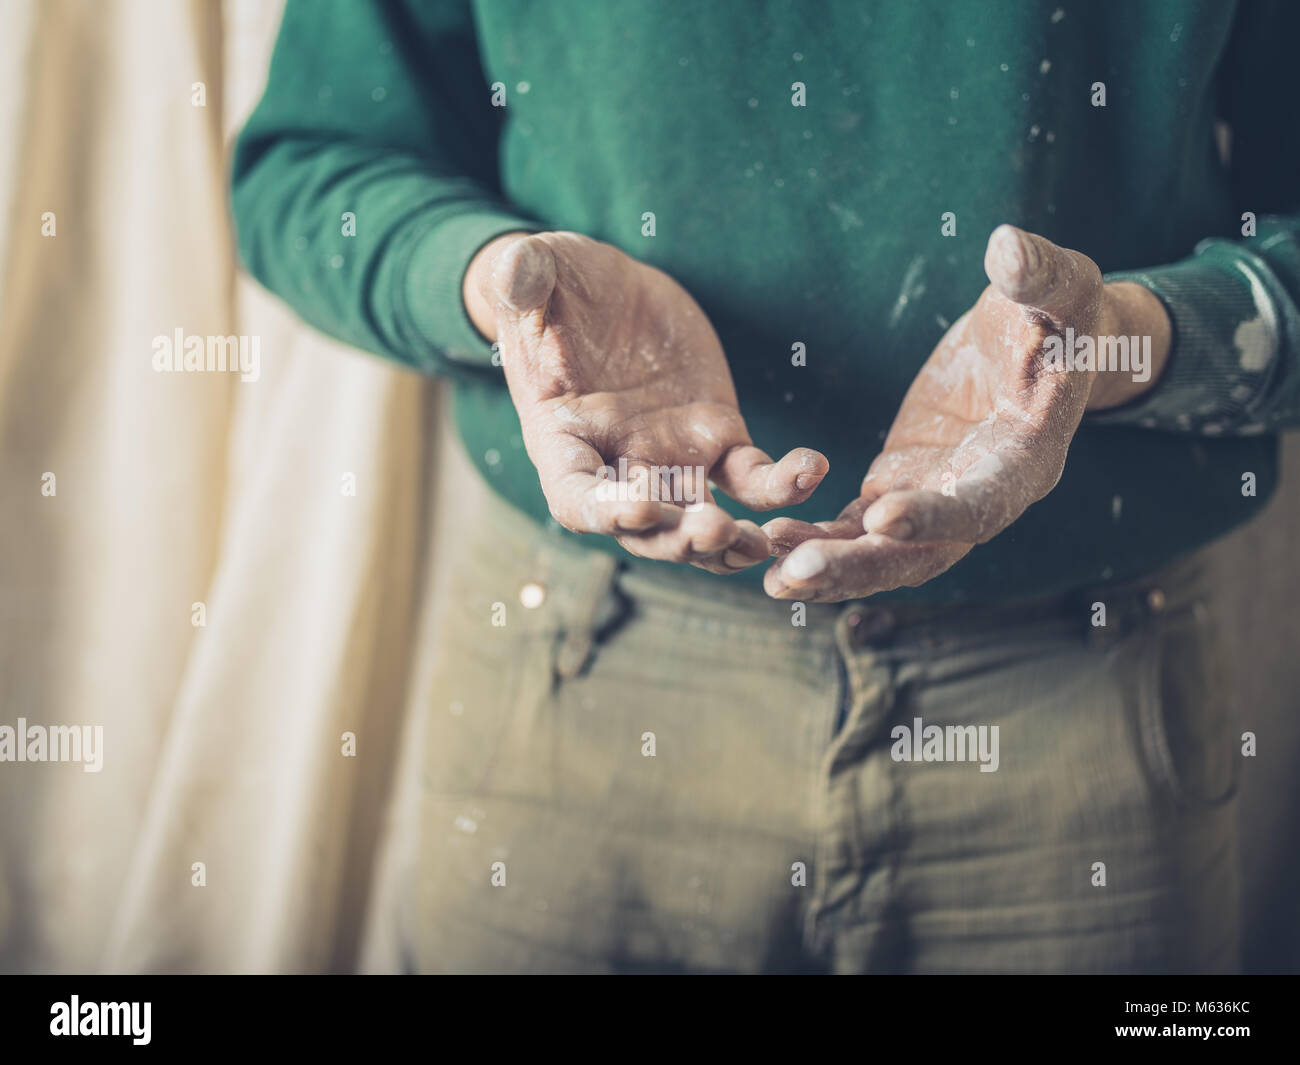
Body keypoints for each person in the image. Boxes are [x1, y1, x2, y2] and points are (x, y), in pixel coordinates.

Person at [231, 0, 1299, 973]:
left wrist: (1119, 342)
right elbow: (315, 165)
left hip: (1079, 709)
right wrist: (503, 291)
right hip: (584, 683)